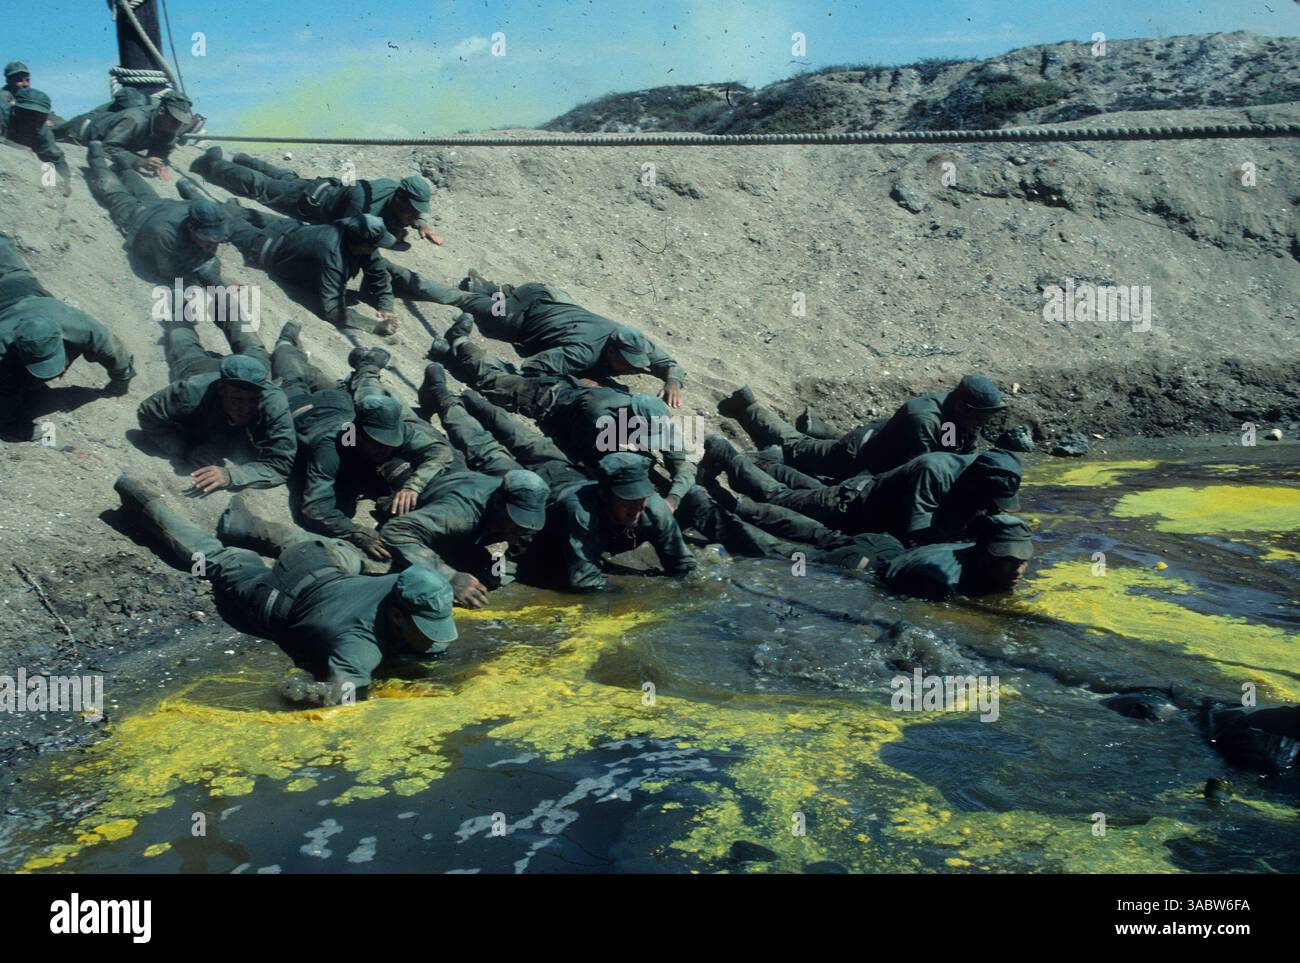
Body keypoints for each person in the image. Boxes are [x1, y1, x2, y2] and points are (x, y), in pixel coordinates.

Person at [114, 474, 457, 706]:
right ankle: (141, 498)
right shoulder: (360, 648)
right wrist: (300, 690)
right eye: (425, 629)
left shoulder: (409, 582)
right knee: (219, 558)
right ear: (397, 616)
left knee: (348, 553)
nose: (434, 639)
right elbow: (339, 695)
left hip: (322, 558)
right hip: (275, 595)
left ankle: (244, 525)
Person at [438, 388, 695, 591]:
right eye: (628, 501)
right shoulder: (580, 512)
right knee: (489, 450)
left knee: (527, 442)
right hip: (536, 492)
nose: (636, 510)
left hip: (567, 473)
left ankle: (471, 402)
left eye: (641, 500)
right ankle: (452, 401)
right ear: (604, 496)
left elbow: (682, 564)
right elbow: (584, 580)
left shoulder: (655, 508)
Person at [424, 332, 696, 506]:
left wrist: (673, 498)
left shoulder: (659, 423)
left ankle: (452, 352)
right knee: (494, 382)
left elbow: (684, 466)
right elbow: (586, 453)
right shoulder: (599, 414)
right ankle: (460, 345)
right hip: (550, 398)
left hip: (578, 395)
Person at [272, 329, 455, 558]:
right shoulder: (331, 450)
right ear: (359, 435)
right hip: (303, 408)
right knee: (291, 375)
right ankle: (286, 341)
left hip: (340, 400)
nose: (386, 450)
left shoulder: (391, 429)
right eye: (378, 444)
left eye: (390, 443)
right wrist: (355, 532)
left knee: (318, 376)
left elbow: (440, 451)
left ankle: (354, 366)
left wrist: (412, 486)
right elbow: (314, 508)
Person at [411, 271, 687, 407]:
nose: (630, 368)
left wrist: (673, 380)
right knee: (471, 304)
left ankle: (494, 290)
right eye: (626, 362)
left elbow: (669, 364)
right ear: (613, 350)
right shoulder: (583, 353)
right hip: (526, 312)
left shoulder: (635, 341)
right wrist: (576, 380)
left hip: (555, 298)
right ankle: (409, 282)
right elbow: (535, 367)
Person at [700, 433, 1022, 544]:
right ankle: (724, 452)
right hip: (850, 504)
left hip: (864, 494)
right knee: (778, 497)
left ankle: (763, 461)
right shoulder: (934, 472)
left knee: (796, 489)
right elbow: (915, 535)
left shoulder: (972, 475)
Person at [718, 374, 1007, 481]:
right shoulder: (925, 418)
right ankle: (747, 407)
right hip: (859, 452)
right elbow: (912, 474)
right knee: (797, 448)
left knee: (801, 448)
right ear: (962, 407)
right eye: (980, 419)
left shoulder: (964, 417)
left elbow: (966, 456)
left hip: (881, 446)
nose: (982, 425)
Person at [0, 231, 134, 441]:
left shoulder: (81, 327)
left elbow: (115, 352)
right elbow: (6, 416)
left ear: (61, 338)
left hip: (21, 286)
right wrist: (39, 434)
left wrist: (120, 383)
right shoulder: (2, 354)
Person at [135, 322, 296, 493]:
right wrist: (187, 448)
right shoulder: (192, 391)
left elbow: (281, 464)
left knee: (254, 346)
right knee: (181, 338)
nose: (245, 408)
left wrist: (231, 476)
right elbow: (147, 413)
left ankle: (221, 300)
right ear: (221, 391)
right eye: (236, 399)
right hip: (198, 367)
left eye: (252, 400)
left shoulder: (272, 400)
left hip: (251, 366)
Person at [190, 148, 442, 245]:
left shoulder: (393, 190)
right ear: (400, 198)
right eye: (413, 209)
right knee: (263, 187)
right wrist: (393, 236)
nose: (415, 214)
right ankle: (210, 165)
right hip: (309, 202)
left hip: (323, 188)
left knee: (284, 176)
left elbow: (401, 212)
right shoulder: (364, 202)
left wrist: (421, 224)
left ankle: (243, 158)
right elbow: (351, 232)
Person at [226, 206, 398, 330]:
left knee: (241, 212)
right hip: (270, 248)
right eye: (375, 244)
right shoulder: (333, 257)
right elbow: (332, 310)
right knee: (228, 223)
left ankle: (227, 209)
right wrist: (375, 325)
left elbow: (378, 269)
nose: (377, 249)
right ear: (362, 245)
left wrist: (386, 305)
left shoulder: (354, 230)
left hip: (290, 228)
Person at [85, 140, 229, 288]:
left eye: (216, 240)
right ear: (191, 228)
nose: (212, 245)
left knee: (136, 181)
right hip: (136, 216)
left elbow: (199, 200)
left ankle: (123, 166)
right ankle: (96, 158)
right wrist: (200, 271)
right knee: (111, 188)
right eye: (206, 240)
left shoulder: (209, 215)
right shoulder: (164, 234)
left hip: (159, 204)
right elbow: (168, 271)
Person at [876, 513, 1034, 601]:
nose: (1018, 570)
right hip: (877, 559)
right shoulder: (941, 580)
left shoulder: (985, 556)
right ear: (984, 554)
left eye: (1023, 561)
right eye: (1008, 561)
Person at [55, 90, 194, 178]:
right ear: (161, 111)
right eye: (174, 120)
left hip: (111, 134)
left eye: (180, 122)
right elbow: (107, 147)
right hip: (81, 130)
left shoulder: (169, 127)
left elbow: (163, 148)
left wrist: (158, 161)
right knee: (48, 131)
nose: (177, 126)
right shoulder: (134, 120)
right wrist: (139, 161)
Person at [0, 88, 71, 195]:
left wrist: (66, 181)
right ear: (16, 110)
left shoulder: (42, 131)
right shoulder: (3, 114)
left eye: (41, 117)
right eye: (30, 115)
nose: (35, 122)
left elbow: (56, 157)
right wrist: (12, 145)